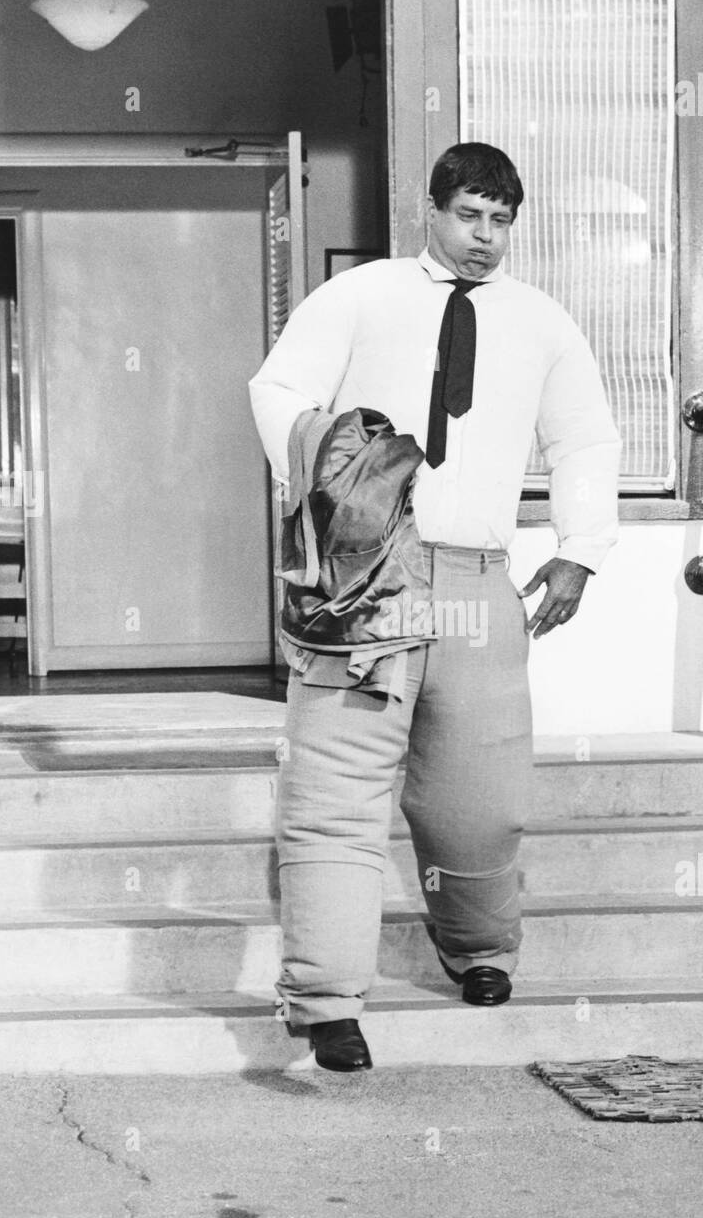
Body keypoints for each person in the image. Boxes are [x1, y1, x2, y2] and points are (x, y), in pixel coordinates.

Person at [249, 142, 620, 1071]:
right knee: (334, 797)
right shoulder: (362, 296)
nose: (484, 238)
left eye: (501, 220)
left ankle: (479, 949)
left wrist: (578, 551)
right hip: (366, 582)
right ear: (431, 210)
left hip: (477, 578)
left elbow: (582, 437)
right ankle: (326, 1002)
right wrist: (335, 472)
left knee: (480, 802)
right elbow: (278, 388)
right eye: (468, 215)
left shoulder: (541, 322)